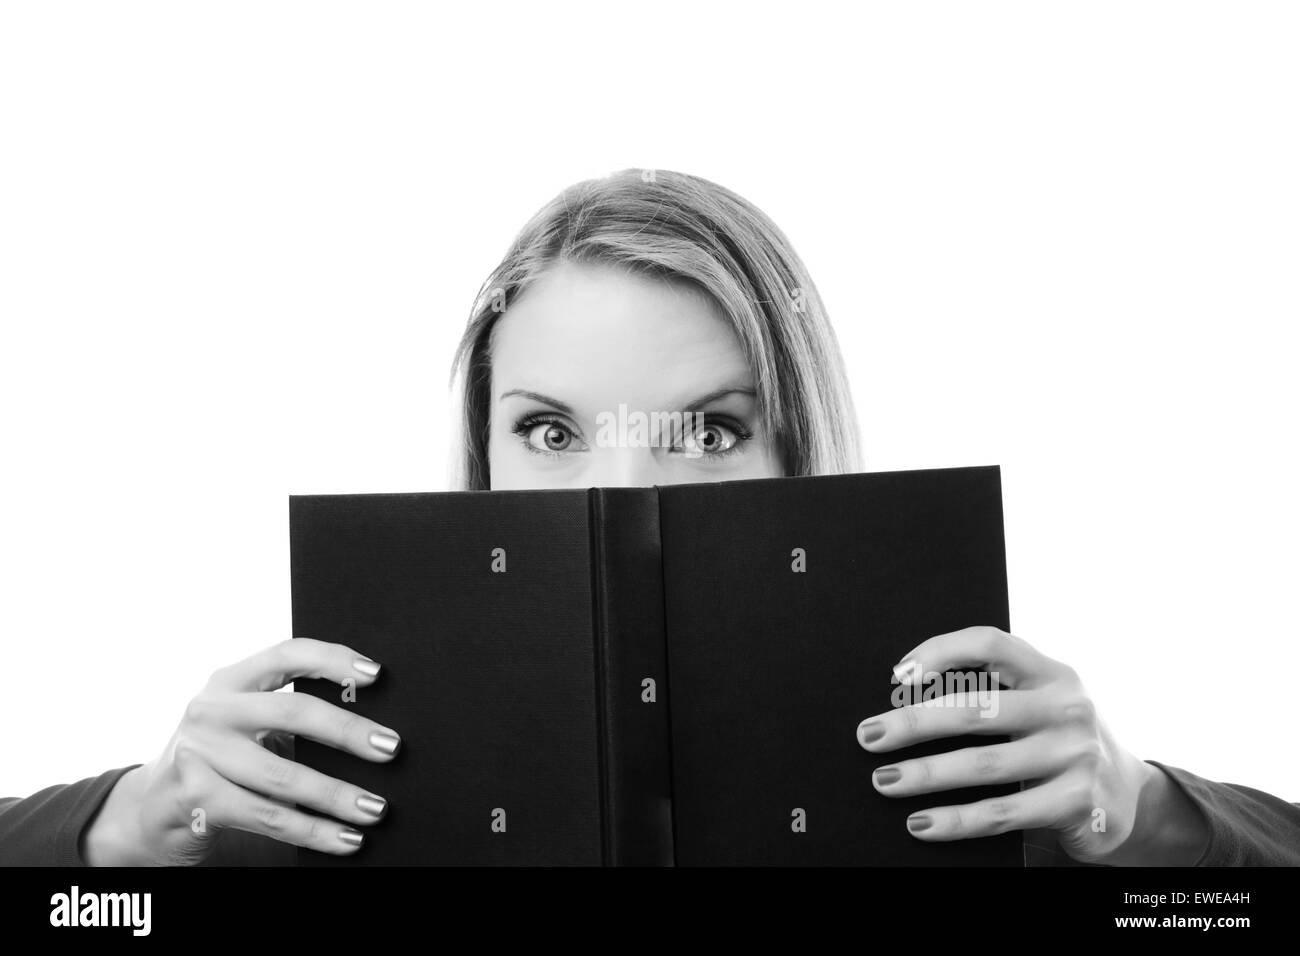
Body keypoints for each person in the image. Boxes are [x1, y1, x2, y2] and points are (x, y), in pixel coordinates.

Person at [2, 170, 1297, 867]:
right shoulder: (314, 790)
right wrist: (124, 829)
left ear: (803, 444)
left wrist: (1153, 826)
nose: (618, 488)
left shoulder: (989, 774)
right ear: (485, 448)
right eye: (555, 431)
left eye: (711, 427)